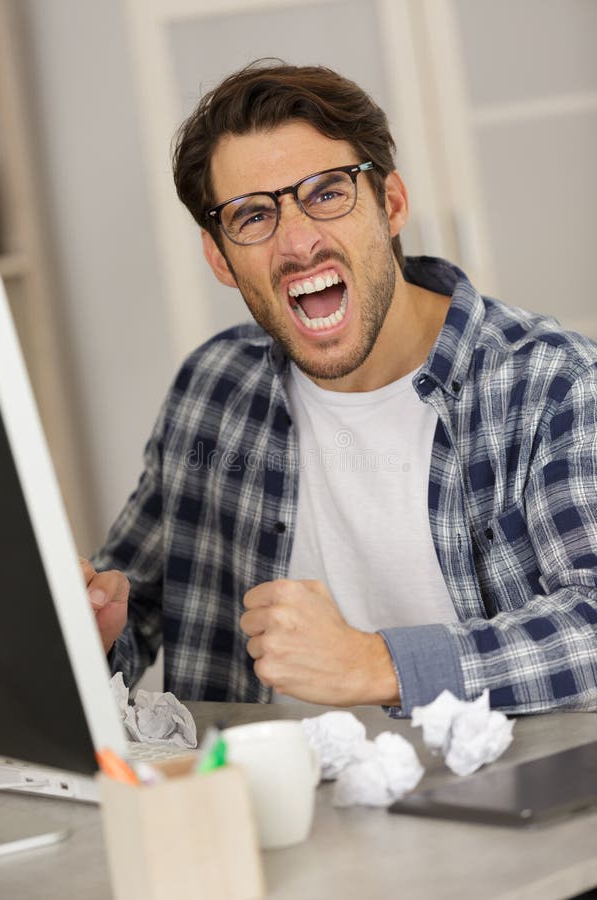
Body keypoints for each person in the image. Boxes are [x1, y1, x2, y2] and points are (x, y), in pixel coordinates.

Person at [85, 60, 597, 716]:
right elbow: (137, 604)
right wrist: (91, 637)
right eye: (252, 215)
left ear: (391, 205)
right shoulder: (213, 388)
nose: (298, 243)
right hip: (265, 810)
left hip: (498, 808)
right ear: (220, 258)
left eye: (328, 192)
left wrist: (379, 663)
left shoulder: (555, 386)